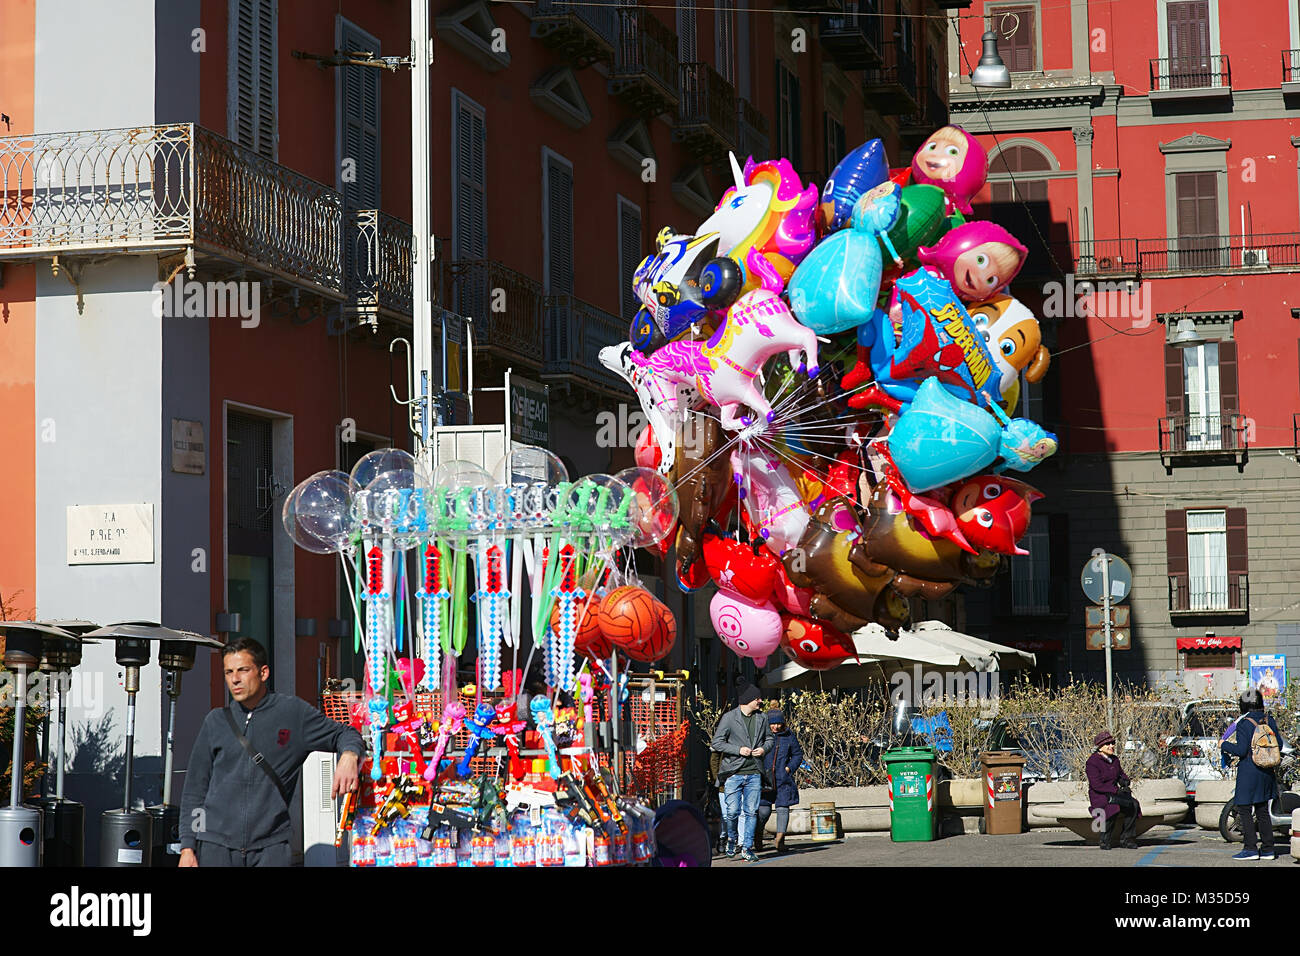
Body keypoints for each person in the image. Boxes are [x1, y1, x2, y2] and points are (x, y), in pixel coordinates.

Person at [179, 638, 364, 867]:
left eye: (243, 670)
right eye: (229, 672)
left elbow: (346, 734)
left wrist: (348, 756)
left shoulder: (292, 713)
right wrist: (188, 846)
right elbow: (195, 790)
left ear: (263, 672)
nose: (235, 679)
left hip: (270, 849)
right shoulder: (216, 721)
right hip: (216, 847)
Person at [1221, 687, 1285, 861]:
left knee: (1244, 808)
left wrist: (1224, 745)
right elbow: (1278, 743)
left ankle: (1250, 848)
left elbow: (1241, 750)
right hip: (1267, 771)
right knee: (1262, 809)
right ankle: (1268, 849)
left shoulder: (1244, 723)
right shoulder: (1268, 720)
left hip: (1249, 771)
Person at [710, 684, 773, 863]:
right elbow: (717, 742)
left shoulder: (762, 718)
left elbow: (770, 738)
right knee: (732, 812)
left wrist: (763, 749)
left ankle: (746, 848)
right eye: (757, 699)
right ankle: (731, 839)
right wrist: (738, 750)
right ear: (748, 700)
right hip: (733, 773)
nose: (760, 701)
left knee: (751, 812)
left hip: (754, 772)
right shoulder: (729, 718)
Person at [755, 708, 803, 855]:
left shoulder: (789, 736)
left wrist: (789, 768)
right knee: (764, 811)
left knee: (783, 808)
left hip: (783, 779)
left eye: (779, 724)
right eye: (772, 724)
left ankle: (780, 840)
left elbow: (797, 754)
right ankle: (757, 834)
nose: (776, 727)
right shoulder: (762, 736)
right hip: (765, 779)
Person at [1085, 730, 1142, 850]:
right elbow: (1096, 785)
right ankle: (1105, 840)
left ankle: (1127, 839)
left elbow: (1121, 774)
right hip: (1100, 796)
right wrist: (1115, 790)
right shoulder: (1092, 762)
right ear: (1100, 747)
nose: (1111, 746)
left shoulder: (1115, 760)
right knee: (1113, 808)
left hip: (1115, 793)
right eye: (1108, 744)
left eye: (1112, 743)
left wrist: (1124, 781)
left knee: (1133, 804)